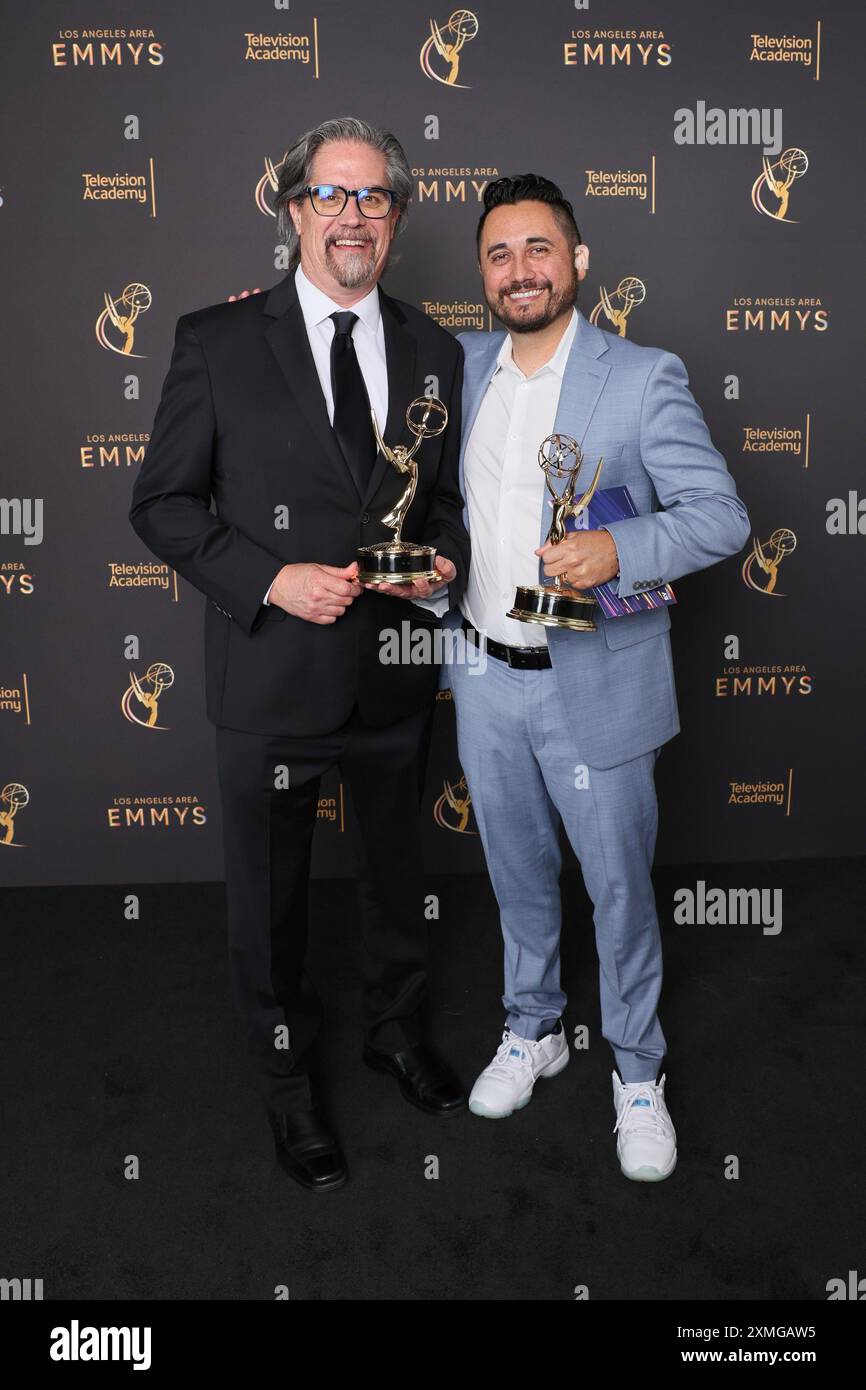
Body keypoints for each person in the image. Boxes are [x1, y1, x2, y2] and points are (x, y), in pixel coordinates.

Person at [129, 117, 471, 1194]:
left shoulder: (434, 348)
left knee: (396, 880)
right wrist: (269, 579)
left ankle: (395, 1032)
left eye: (372, 197)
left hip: (393, 681)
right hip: (270, 675)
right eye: (331, 195)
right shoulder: (215, 340)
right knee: (268, 904)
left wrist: (442, 564)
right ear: (292, 209)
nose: (352, 215)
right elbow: (162, 504)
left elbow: (450, 505)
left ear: (397, 216)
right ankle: (288, 1088)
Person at [444, 174, 750, 1181]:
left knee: (617, 890)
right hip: (485, 678)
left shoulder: (643, 374)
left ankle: (635, 1070)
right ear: (481, 274)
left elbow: (720, 518)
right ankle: (533, 1027)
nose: (518, 269)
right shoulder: (461, 367)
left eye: (538, 249)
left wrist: (617, 547)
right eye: (498, 253)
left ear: (576, 263)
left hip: (598, 683)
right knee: (516, 874)